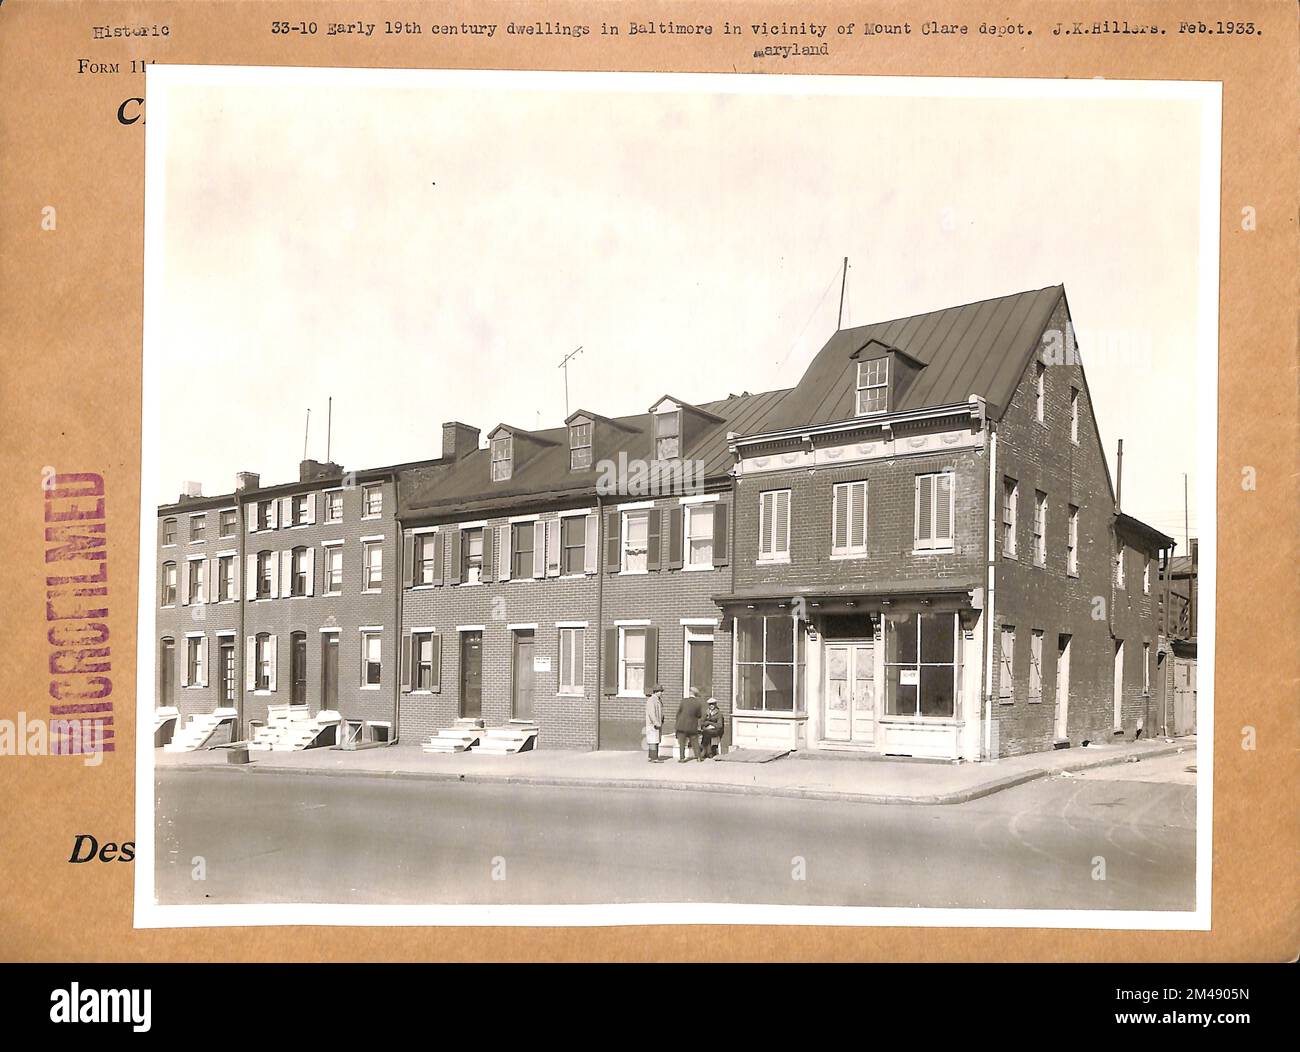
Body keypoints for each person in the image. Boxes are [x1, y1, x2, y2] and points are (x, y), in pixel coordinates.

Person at [674, 687, 704, 763]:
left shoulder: (684, 701)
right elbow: (699, 715)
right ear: (696, 694)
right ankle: (698, 757)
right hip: (692, 726)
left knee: (682, 743)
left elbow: (678, 713)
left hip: (681, 725)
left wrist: (677, 723)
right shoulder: (698, 703)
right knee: (695, 742)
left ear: (690, 693)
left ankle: (682, 758)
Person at [644, 685, 666, 763]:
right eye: (660, 691)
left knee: (655, 740)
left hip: (657, 724)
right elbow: (652, 713)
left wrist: (662, 718)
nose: (661, 693)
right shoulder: (651, 700)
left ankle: (651, 756)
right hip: (653, 725)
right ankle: (654, 758)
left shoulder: (658, 700)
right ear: (656, 692)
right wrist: (656, 722)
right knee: (653, 741)